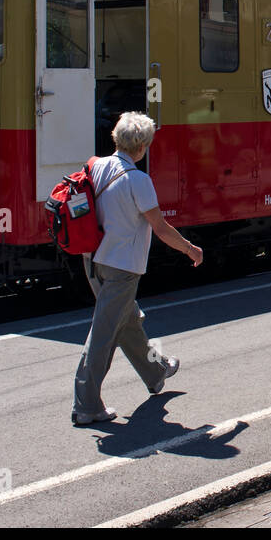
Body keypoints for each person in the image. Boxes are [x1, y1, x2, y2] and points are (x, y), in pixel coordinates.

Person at [72, 112, 203, 426]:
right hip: (121, 267)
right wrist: (190, 248)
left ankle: (156, 371)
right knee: (103, 335)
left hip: (92, 260)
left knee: (126, 321)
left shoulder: (95, 165)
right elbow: (160, 228)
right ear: (142, 147)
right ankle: (87, 406)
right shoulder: (138, 181)